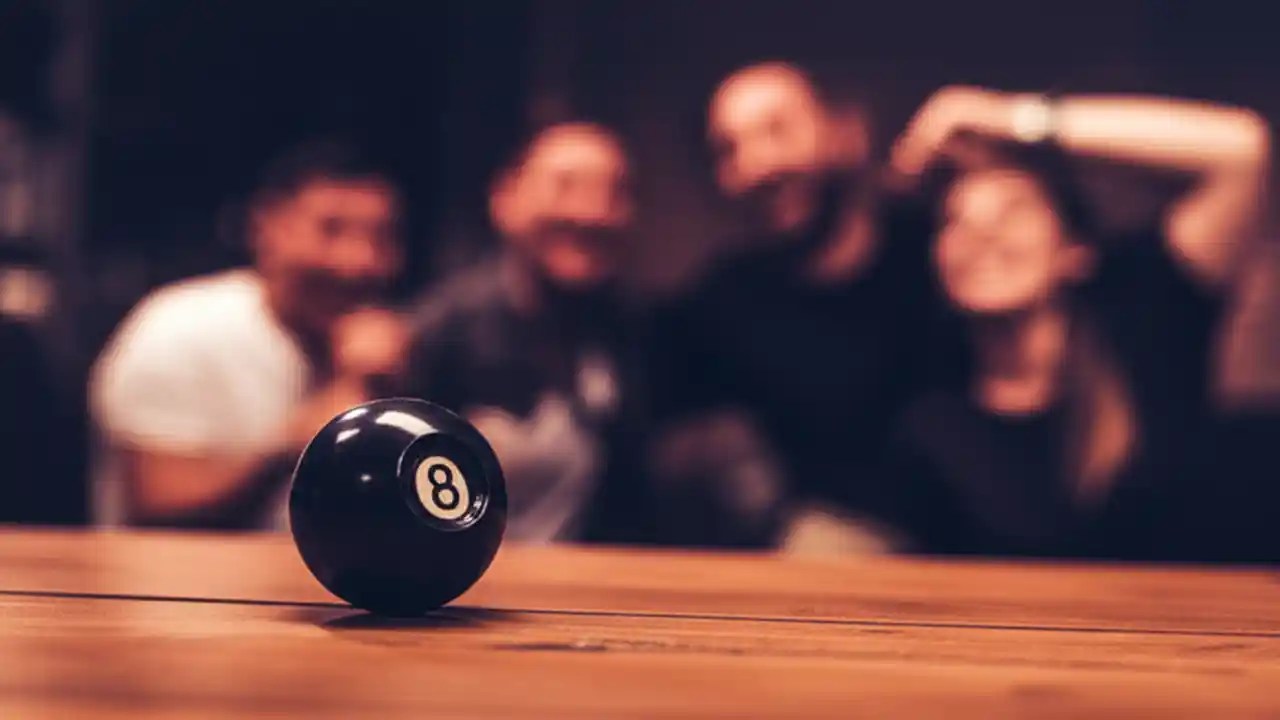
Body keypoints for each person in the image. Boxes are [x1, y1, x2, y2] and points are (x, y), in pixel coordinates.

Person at [878, 87, 1269, 559]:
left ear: (1074, 251)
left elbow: (1244, 150)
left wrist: (1013, 117)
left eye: (1013, 210)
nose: (980, 235)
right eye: (954, 221)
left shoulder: (1149, 324)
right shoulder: (929, 423)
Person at [654, 62, 948, 550]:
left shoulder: (939, 256)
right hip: (825, 573)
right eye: (728, 149)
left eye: (777, 130)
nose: (756, 166)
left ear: (846, 133)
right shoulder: (719, 301)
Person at [91, 139, 407, 529]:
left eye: (382, 237)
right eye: (331, 230)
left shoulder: (390, 346)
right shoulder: (179, 328)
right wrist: (297, 443)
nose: (359, 261)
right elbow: (157, 507)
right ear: (267, 227)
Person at [401, 121, 655, 544]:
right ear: (505, 200)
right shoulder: (442, 329)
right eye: (565, 186)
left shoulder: (629, 329)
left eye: (615, 192)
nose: (591, 214)